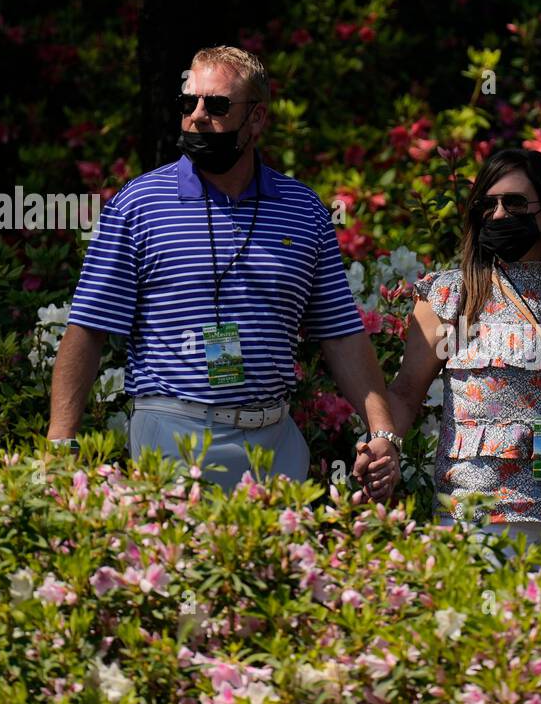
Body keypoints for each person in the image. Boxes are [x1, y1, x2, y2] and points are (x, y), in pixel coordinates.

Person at [45, 45, 402, 495]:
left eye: (216, 105)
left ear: (257, 119)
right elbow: (89, 327)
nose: (197, 116)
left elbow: (341, 333)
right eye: (187, 103)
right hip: (174, 433)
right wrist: (62, 441)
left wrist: (382, 431)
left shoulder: (304, 210)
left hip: (276, 440)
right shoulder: (138, 205)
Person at [360, 148, 541, 548]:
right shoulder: (448, 296)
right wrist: (383, 442)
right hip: (473, 525)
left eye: (514, 203)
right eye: (488, 204)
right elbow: (407, 394)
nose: (498, 215)